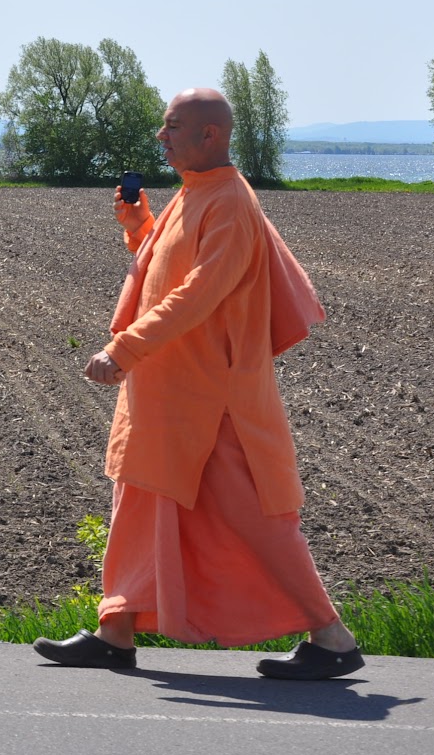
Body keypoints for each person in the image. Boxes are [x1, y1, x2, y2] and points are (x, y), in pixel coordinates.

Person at [32, 88, 363, 680]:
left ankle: (333, 637)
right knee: (136, 502)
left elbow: (199, 294)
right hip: (168, 393)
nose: (162, 136)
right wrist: (140, 229)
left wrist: (124, 347)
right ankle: (115, 631)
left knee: (256, 518)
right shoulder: (194, 193)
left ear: (210, 134)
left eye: (173, 126)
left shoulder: (231, 203)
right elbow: (170, 270)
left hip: (214, 401)